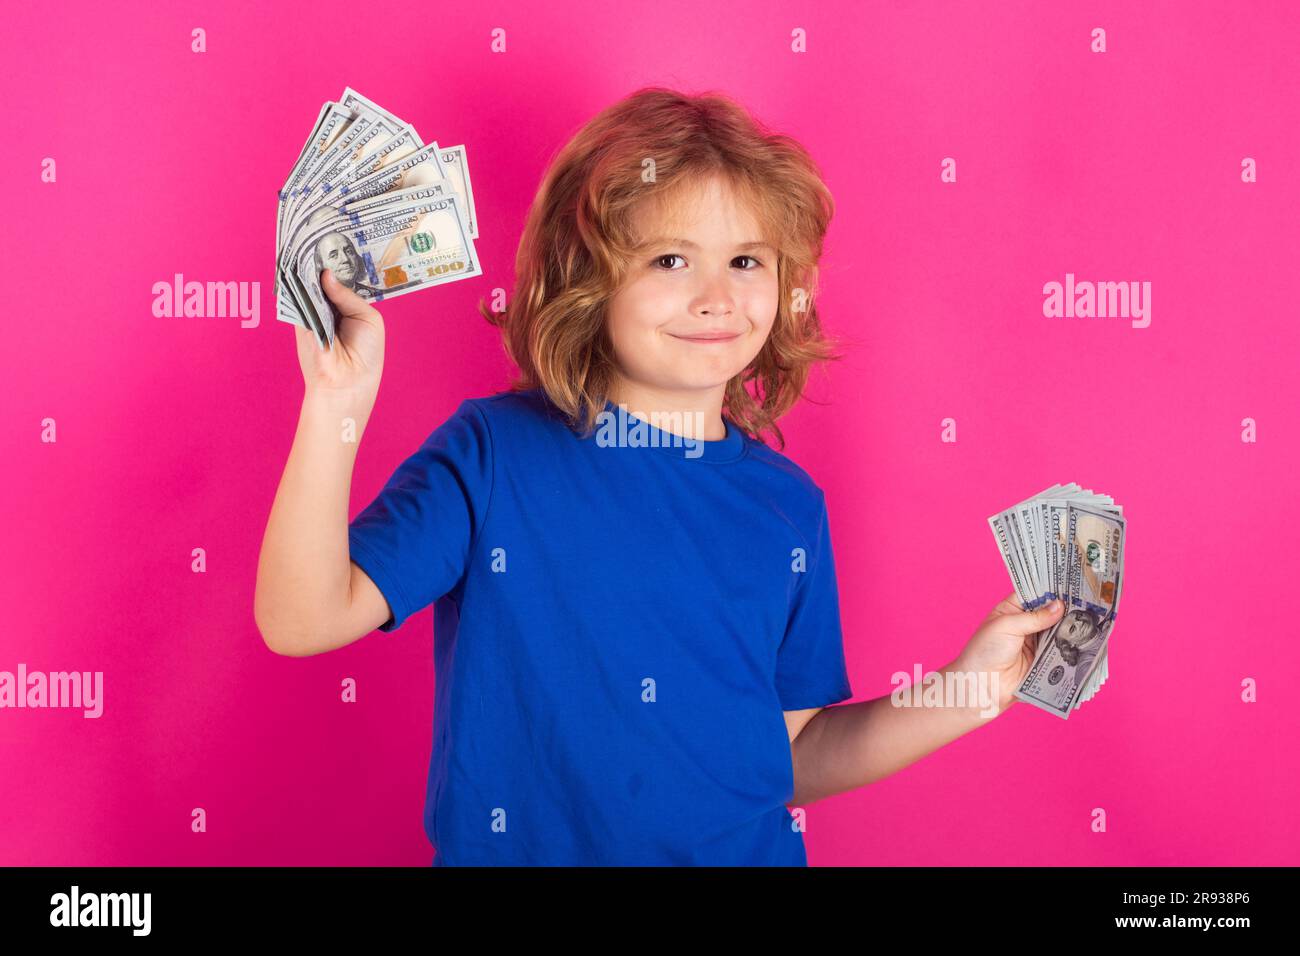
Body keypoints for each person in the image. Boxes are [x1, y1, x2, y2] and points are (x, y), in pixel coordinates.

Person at [254, 87, 1066, 866]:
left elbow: (792, 751)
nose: (716, 297)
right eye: (671, 258)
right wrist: (336, 400)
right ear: (586, 282)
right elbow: (302, 619)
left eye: (746, 259)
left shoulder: (788, 507)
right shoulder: (493, 455)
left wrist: (970, 690)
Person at [312, 232, 382, 299]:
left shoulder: (376, 293)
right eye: (333, 255)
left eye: (349, 251)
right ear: (320, 265)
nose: (345, 259)